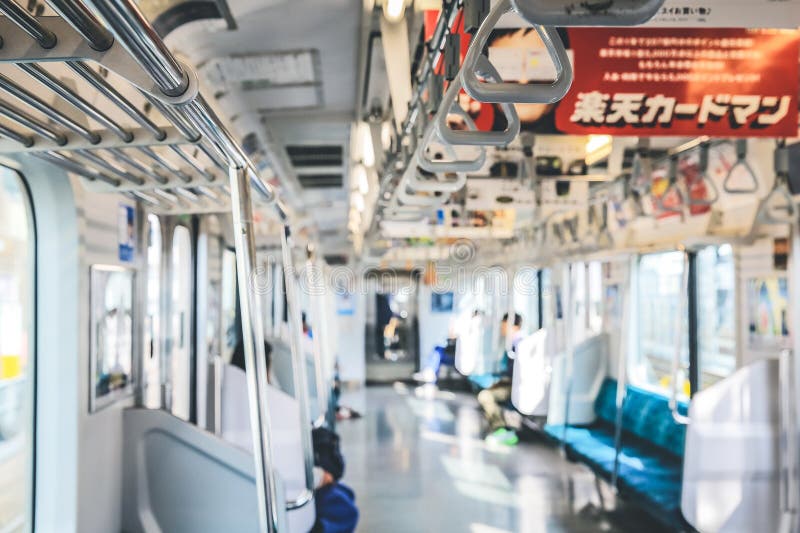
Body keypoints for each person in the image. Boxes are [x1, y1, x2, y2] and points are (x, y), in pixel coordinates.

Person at [477, 312, 523, 446]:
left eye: (504, 326)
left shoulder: (519, 345)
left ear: (513, 327)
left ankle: (500, 428)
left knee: (484, 396)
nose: (502, 329)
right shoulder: (511, 344)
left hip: (515, 385)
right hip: (510, 383)